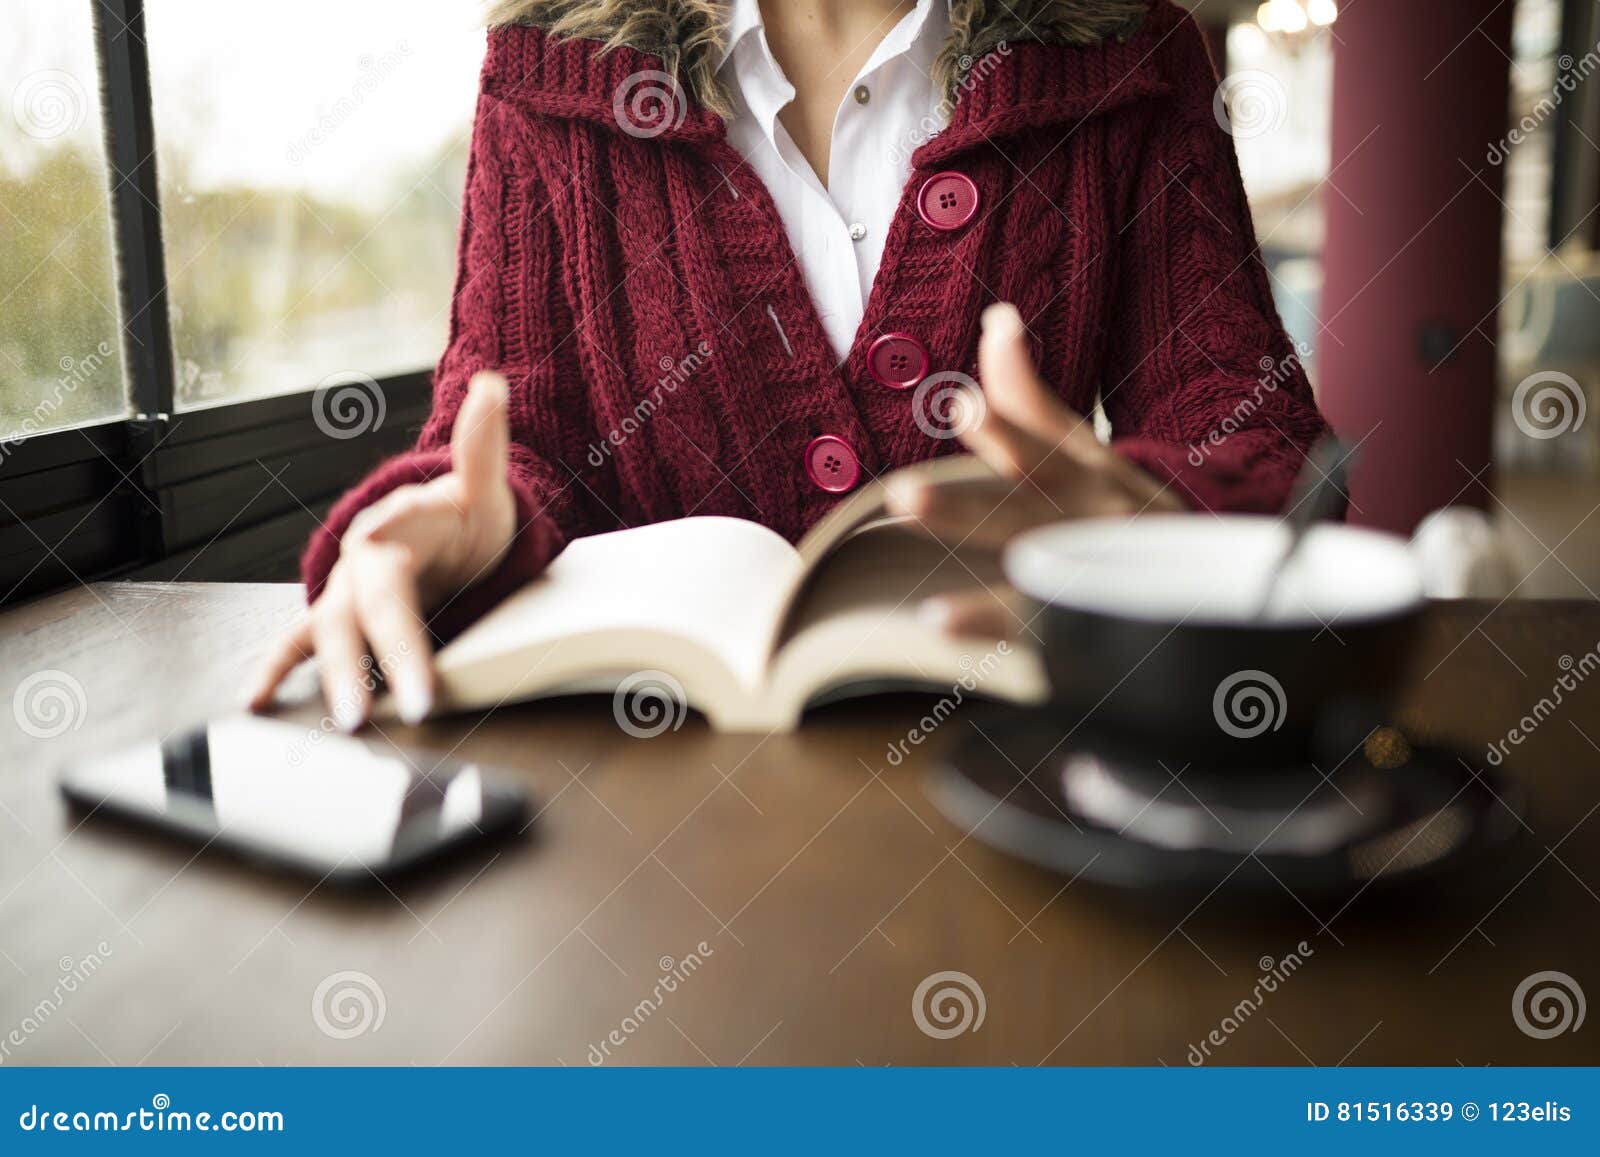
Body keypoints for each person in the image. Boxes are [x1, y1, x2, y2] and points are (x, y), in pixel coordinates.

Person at [249, 0, 1328, 729]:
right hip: (644, 810)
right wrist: (455, 525)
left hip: (1011, 767)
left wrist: (1157, 518)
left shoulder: (1130, 55)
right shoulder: (549, 67)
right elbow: (502, 443)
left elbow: (1257, 441)